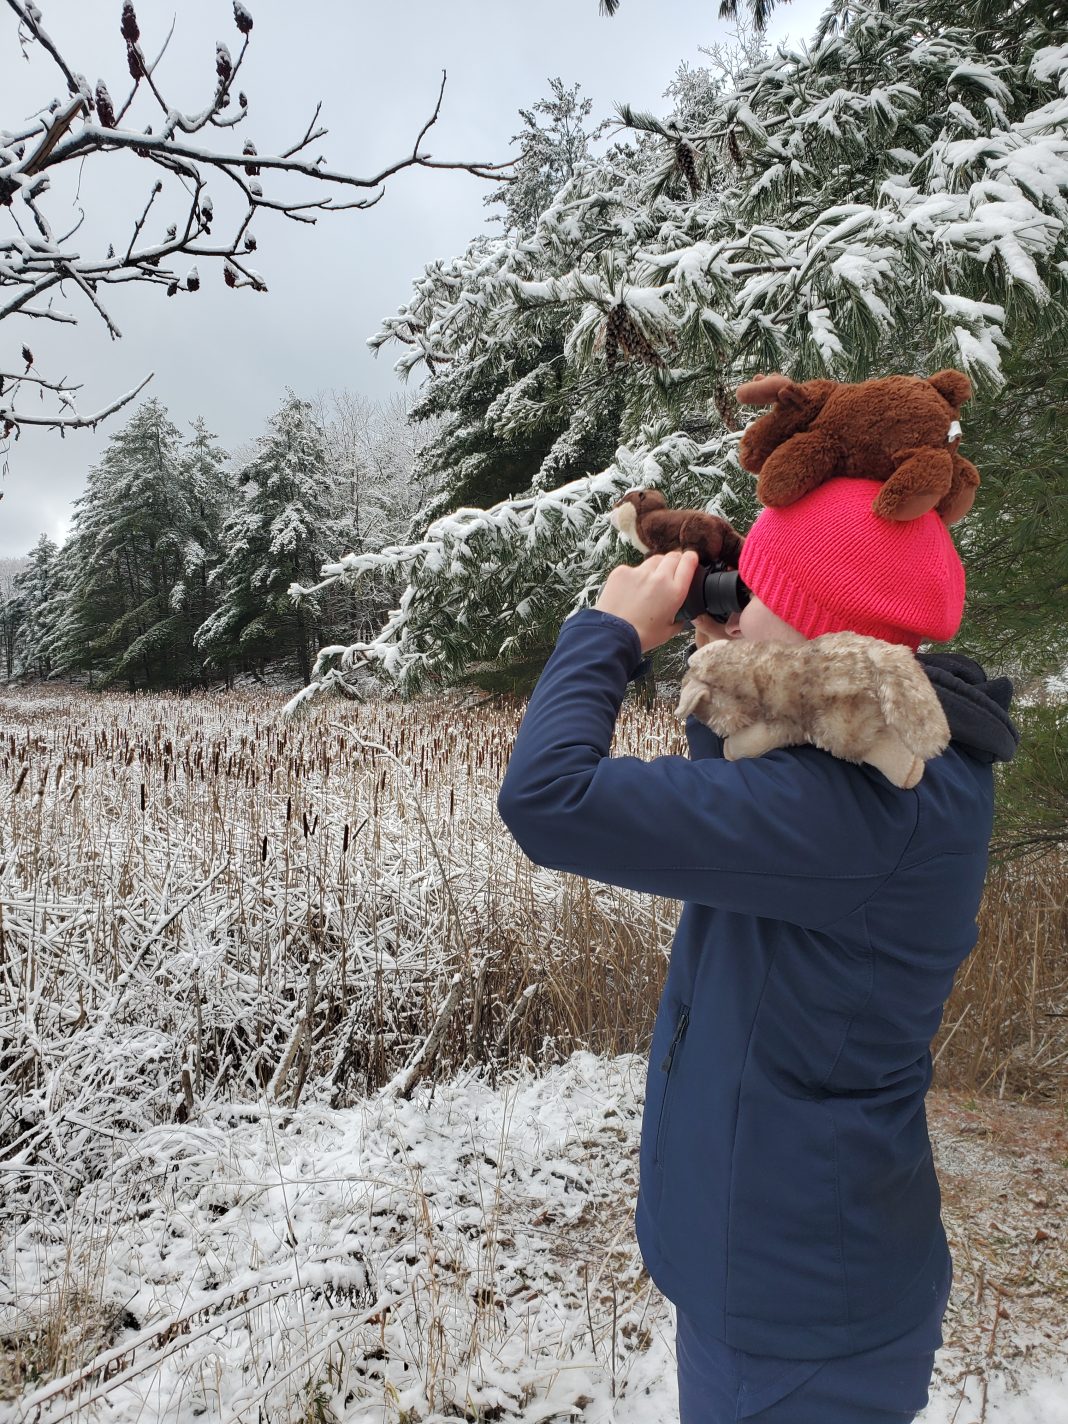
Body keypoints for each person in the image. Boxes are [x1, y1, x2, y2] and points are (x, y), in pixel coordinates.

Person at [496, 416, 1020, 1423]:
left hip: (800, 1320)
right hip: (799, 1268)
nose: (735, 614)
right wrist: (736, 639)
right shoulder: (904, 747)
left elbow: (548, 799)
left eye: (760, 596)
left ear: (821, 637)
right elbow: (750, 789)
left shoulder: (847, 815)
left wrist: (605, 632)